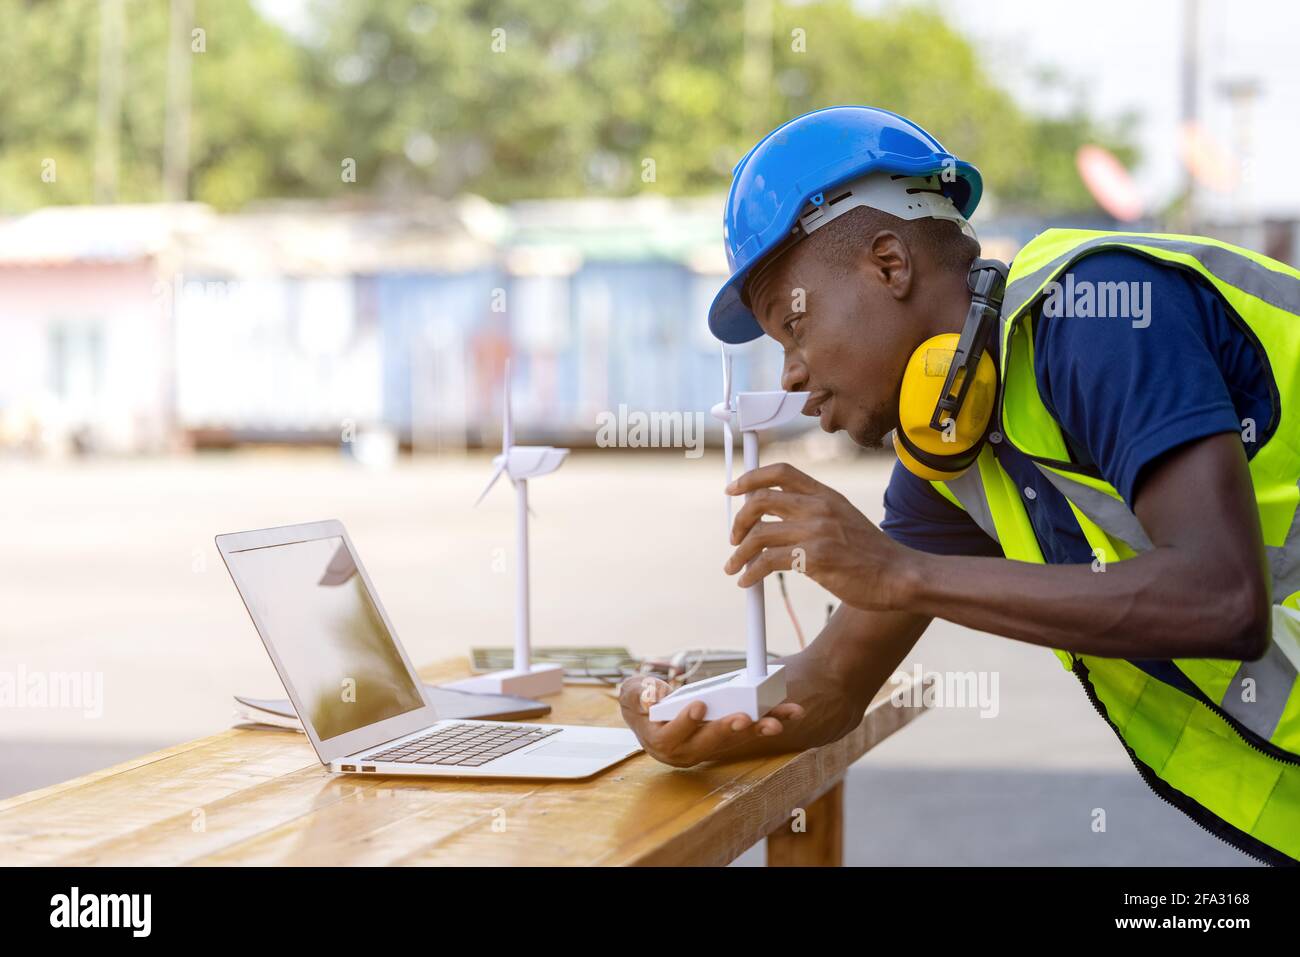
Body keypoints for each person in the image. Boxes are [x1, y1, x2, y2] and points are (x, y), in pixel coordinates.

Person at [618, 105, 1300, 865]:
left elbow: (1223, 598)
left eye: (794, 324)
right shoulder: (954, 446)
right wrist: (696, 722)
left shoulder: (1099, 309)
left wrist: (899, 571)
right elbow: (835, 684)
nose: (792, 374)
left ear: (888, 264)